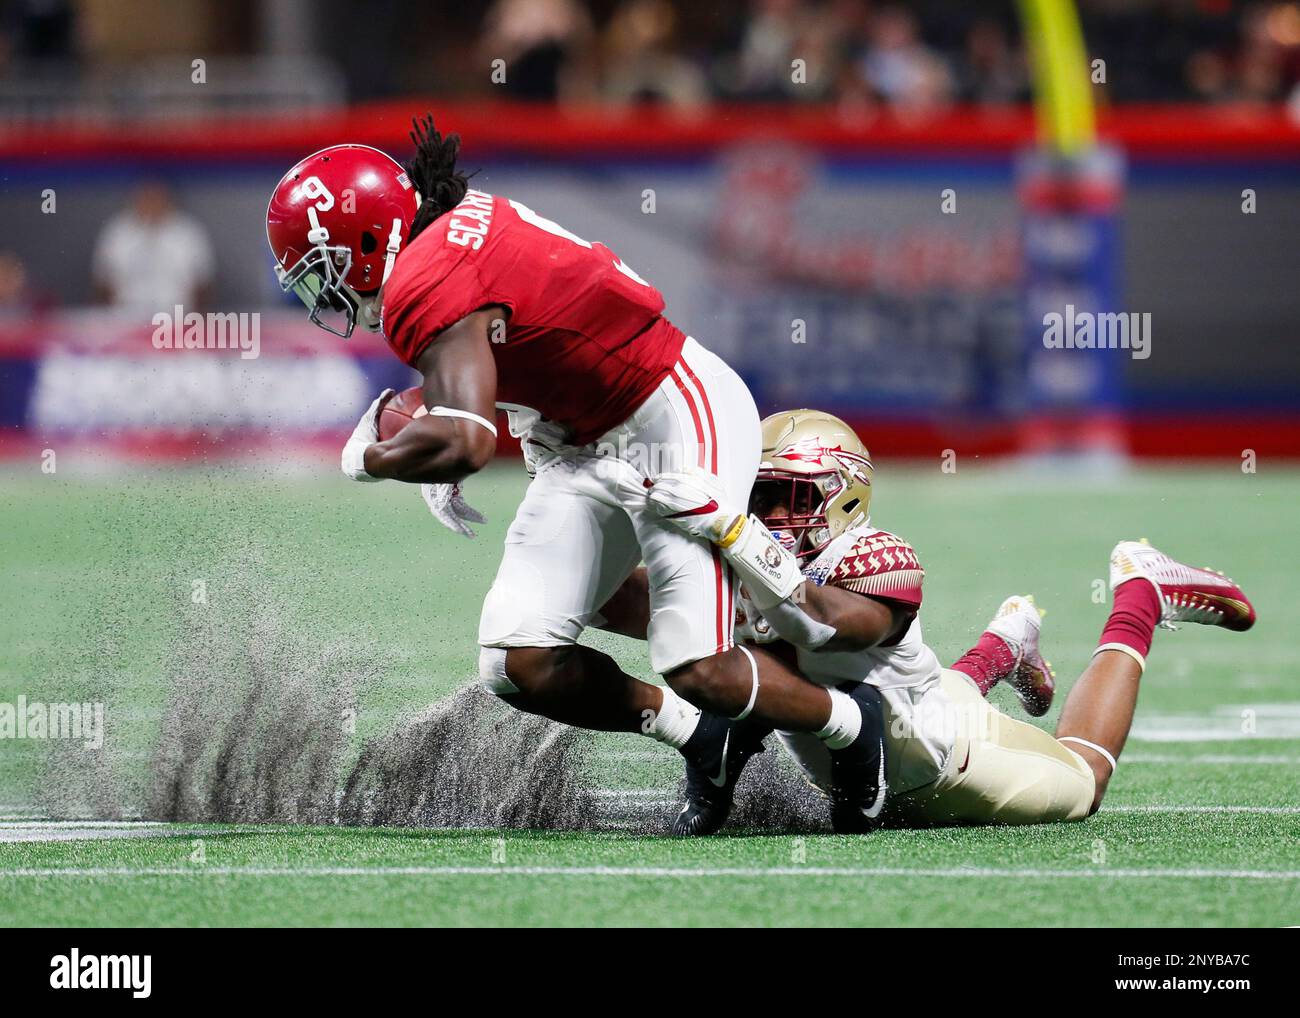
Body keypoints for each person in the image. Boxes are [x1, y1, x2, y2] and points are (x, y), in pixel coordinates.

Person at [264, 118, 888, 824]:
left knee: (699, 667)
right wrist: (449, 412)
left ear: (370, 240)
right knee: (518, 664)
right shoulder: (442, 234)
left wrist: (370, 457)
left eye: (326, 271)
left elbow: (467, 440)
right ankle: (698, 732)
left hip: (671, 414)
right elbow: (527, 340)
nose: (326, 293)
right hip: (579, 439)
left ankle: (850, 724)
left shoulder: (421, 277)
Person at [608, 408, 1256, 832]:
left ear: (845, 495)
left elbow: (826, 625)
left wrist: (734, 535)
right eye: (758, 496)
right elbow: (625, 605)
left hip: (950, 758)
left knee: (1084, 782)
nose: (771, 515)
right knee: (918, 688)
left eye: (790, 496)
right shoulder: (734, 560)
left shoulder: (871, 555)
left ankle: (1141, 591)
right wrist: (592, 514)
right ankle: (1007, 643)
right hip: (909, 709)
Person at [92, 182, 214, 312]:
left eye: (156, 198)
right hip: (125, 317)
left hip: (176, 316)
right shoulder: (117, 230)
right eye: (146, 197)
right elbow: (103, 282)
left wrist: (196, 321)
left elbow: (203, 284)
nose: (151, 203)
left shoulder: (188, 231)